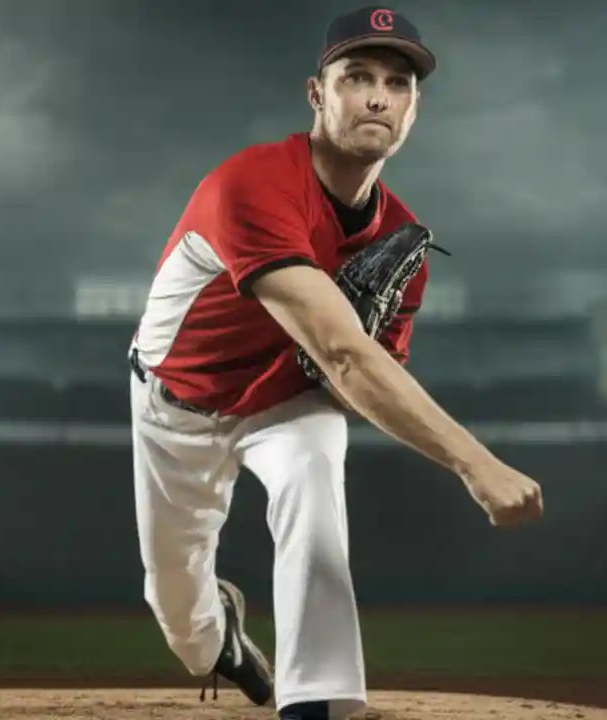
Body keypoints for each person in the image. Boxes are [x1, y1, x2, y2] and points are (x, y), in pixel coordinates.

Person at [127, 6, 543, 719]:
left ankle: (319, 698)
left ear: (414, 108)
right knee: (175, 604)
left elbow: (356, 387)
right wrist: (478, 463)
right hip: (177, 401)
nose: (378, 95)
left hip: (290, 401)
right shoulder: (251, 184)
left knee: (316, 476)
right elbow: (347, 355)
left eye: (397, 82)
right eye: (357, 76)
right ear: (317, 94)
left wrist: (348, 372)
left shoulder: (404, 257)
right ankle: (218, 640)